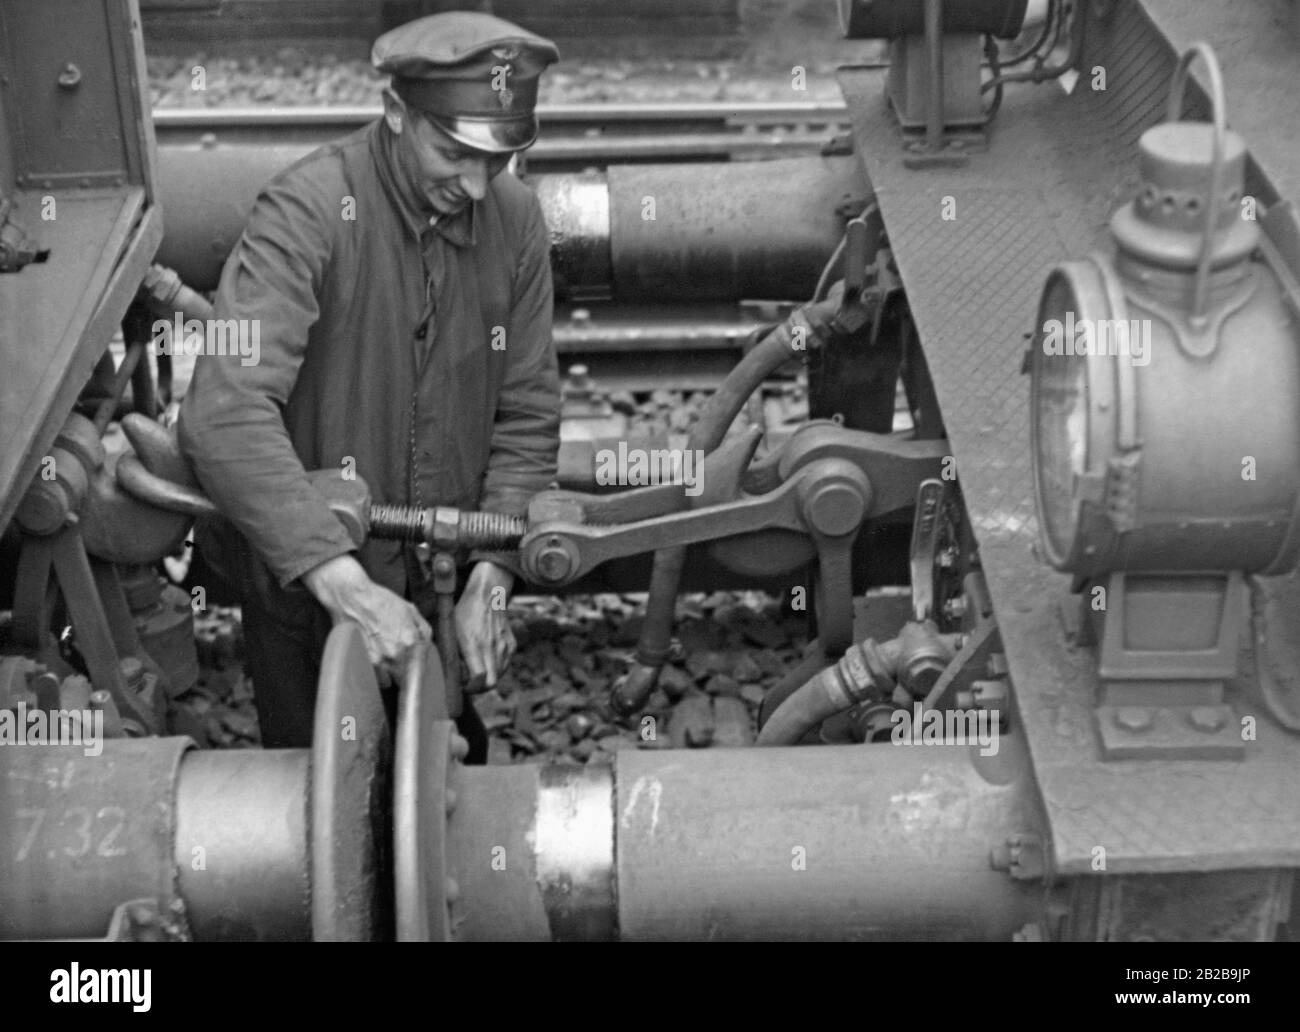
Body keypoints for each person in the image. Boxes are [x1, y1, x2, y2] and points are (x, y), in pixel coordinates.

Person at [179, 12, 562, 754]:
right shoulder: (308, 211)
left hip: (442, 573)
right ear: (395, 112)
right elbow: (223, 414)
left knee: (447, 785)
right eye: (454, 152)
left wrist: (493, 574)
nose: (479, 186)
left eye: (501, 158)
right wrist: (346, 587)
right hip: (309, 588)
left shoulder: (515, 221)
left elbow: (526, 411)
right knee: (321, 798)